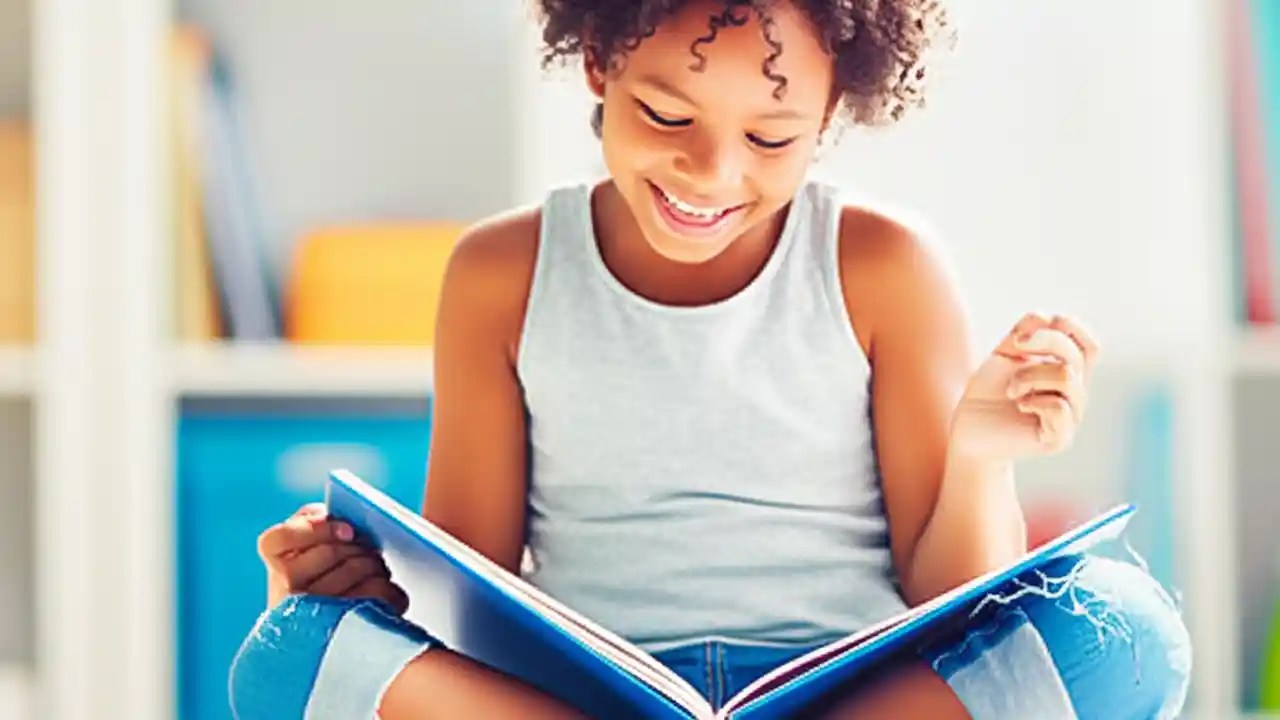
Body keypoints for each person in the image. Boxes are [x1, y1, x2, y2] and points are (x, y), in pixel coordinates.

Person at [229, 1, 1192, 718]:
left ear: (828, 121)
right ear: (601, 62)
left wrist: (983, 458)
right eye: (666, 116)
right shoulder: (499, 271)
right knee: (288, 653)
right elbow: (466, 588)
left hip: (845, 692)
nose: (712, 173)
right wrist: (344, 579)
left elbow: (948, 600)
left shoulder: (882, 264)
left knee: (1126, 626)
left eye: (770, 138)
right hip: (584, 697)